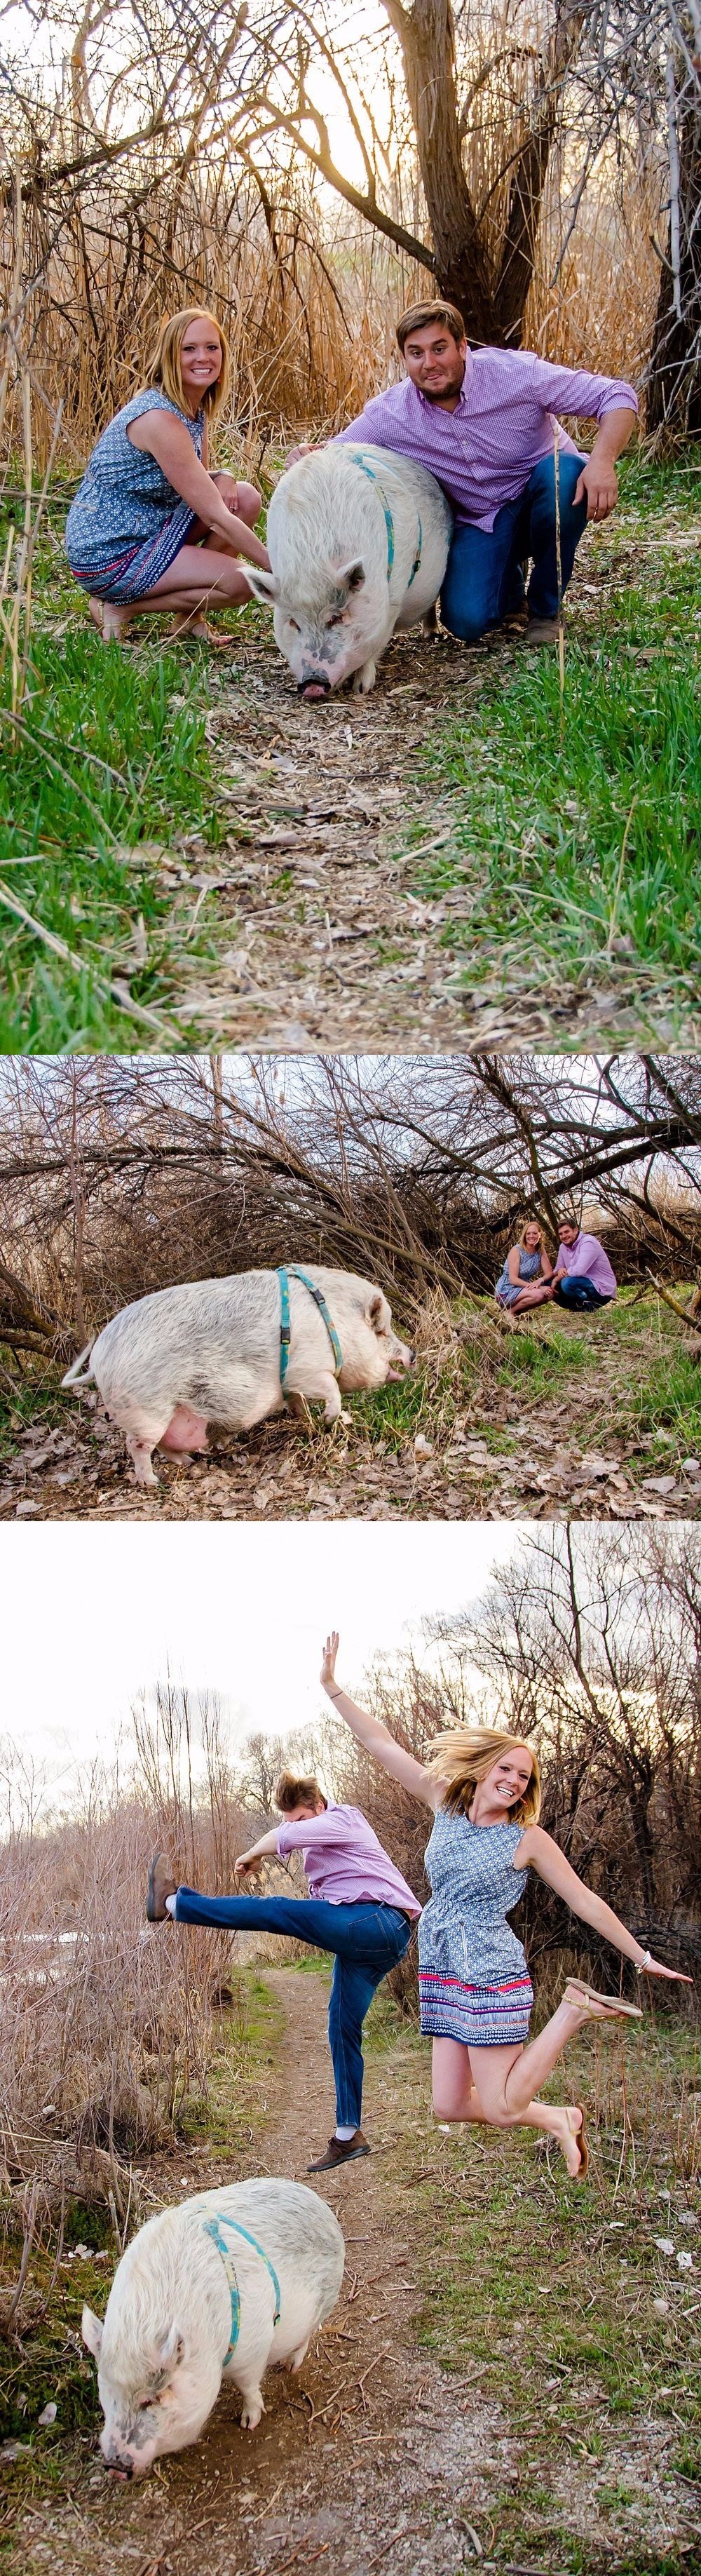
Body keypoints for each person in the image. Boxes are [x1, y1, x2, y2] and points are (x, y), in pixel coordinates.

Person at [318, 1632, 690, 2180]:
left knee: (501, 2106)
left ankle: (573, 2011)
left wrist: (640, 1957)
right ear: (485, 1767)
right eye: (507, 1769)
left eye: (525, 1776)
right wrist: (332, 1687)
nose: (515, 1781)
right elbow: (383, 1744)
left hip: (491, 1969)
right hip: (444, 1967)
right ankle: (564, 2118)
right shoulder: (445, 1800)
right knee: (449, 2103)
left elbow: (584, 1900)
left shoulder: (528, 1838)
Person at [290, 299, 637, 648]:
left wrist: (603, 462)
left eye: (439, 349)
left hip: (541, 494)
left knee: (564, 474)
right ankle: (509, 582)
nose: (429, 364)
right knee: (466, 621)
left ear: (462, 346)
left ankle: (546, 611)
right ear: (404, 359)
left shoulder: (517, 375)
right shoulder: (391, 413)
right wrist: (306, 457)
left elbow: (616, 396)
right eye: (416, 353)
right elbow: (339, 452)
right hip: (481, 520)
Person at [147, 1768, 421, 2171]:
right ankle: (349, 2136)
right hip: (370, 1945)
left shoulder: (345, 1818)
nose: (298, 1830)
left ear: (319, 1807)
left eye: (303, 1820)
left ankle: (173, 1905)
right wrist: (275, 1846)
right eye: (290, 1821)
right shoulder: (319, 1861)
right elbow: (291, 1840)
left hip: (380, 1920)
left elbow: (285, 1838)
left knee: (273, 1910)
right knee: (341, 2027)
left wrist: (253, 1853)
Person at [64, 306, 270, 643]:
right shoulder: (160, 418)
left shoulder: (193, 408)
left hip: (150, 527)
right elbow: (214, 516)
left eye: (211, 347)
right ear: (170, 357)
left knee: (244, 498)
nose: (202, 357)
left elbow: (193, 479)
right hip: (111, 549)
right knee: (242, 583)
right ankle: (118, 609)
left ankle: (189, 618)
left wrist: (224, 474)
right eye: (189, 349)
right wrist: (280, 569)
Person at [549, 1216, 618, 1311]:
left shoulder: (588, 1242)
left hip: (601, 1289)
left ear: (575, 1230)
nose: (564, 1236)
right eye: (561, 1234)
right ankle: (576, 1306)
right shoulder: (563, 1247)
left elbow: (579, 1271)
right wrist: (559, 1271)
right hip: (579, 1283)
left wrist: (558, 1277)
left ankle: (589, 1306)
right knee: (548, 1284)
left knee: (567, 1283)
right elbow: (558, 1268)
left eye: (567, 1232)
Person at [494, 1221, 554, 1314]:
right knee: (539, 1294)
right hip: (506, 1290)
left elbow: (549, 1273)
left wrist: (540, 1281)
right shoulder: (517, 1250)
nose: (531, 1236)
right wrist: (538, 1288)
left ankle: (513, 1312)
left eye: (535, 1233)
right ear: (524, 1236)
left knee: (549, 1294)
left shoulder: (540, 1251)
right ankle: (509, 1313)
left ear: (540, 1235)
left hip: (524, 1289)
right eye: (528, 1233)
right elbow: (513, 1280)